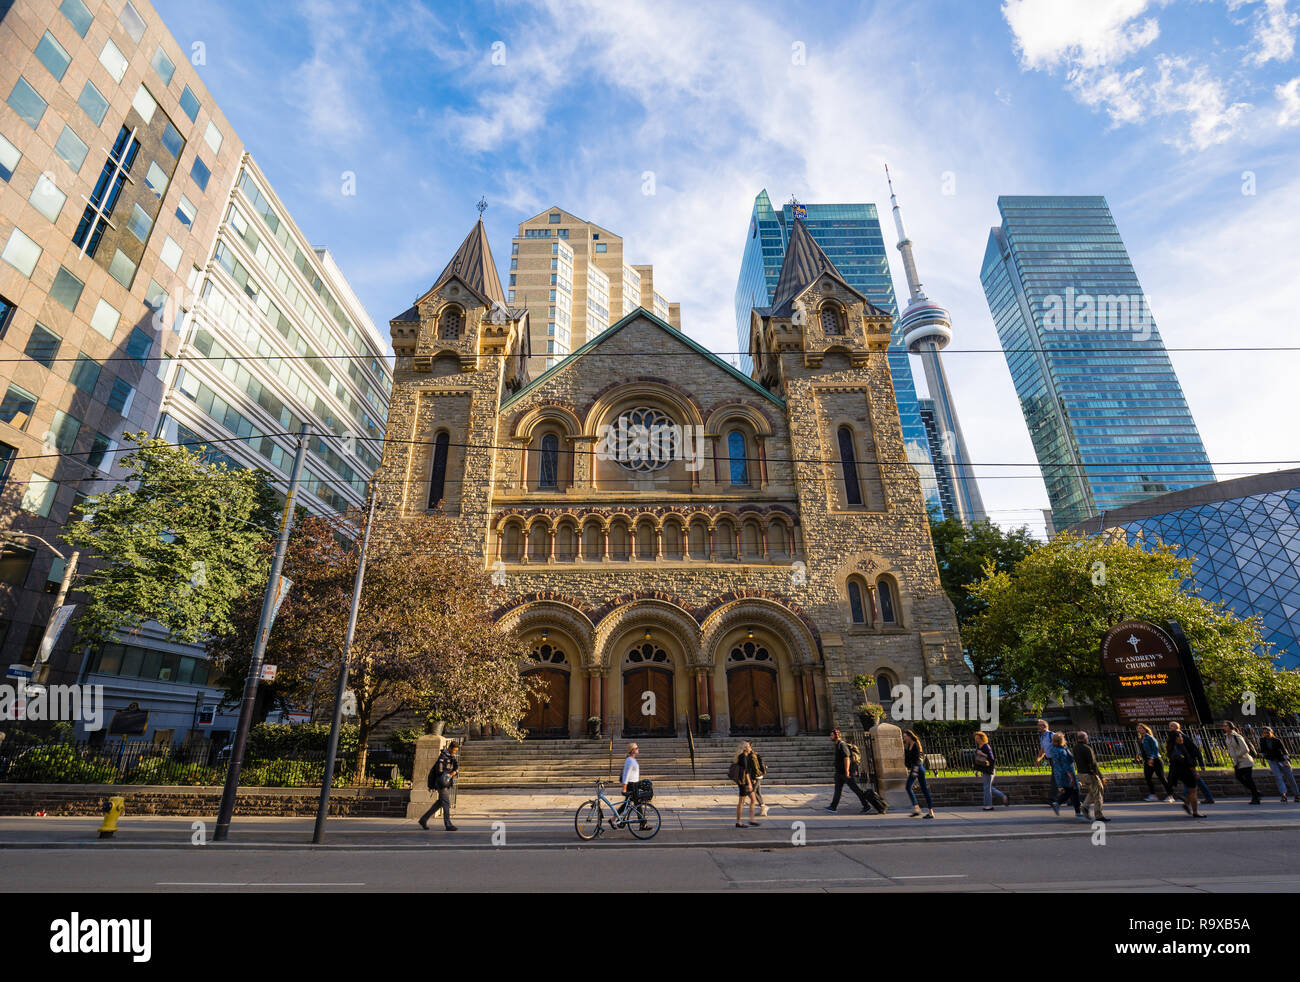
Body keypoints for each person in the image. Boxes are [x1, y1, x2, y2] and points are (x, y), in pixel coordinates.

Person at [825, 728, 873, 813]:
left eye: (832, 735)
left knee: (855, 789)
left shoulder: (842, 745)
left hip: (845, 772)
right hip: (839, 772)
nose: (830, 737)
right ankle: (833, 806)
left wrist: (847, 771)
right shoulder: (837, 744)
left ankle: (866, 805)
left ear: (837, 736)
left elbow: (847, 758)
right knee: (838, 789)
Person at [418, 740, 459, 831]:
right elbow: (439, 771)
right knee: (446, 803)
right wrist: (449, 773)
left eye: (456, 751)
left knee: (440, 803)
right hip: (441, 783)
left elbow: (456, 767)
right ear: (449, 748)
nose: (454, 752)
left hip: (446, 783)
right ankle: (448, 824)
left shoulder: (451, 757)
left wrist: (454, 772)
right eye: (454, 750)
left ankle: (423, 819)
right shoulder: (443, 757)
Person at [1167, 722, 1205, 818]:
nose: (1181, 738)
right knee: (1194, 790)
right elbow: (1187, 759)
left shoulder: (1170, 746)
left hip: (1176, 770)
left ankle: (1186, 803)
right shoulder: (1180, 747)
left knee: (1189, 788)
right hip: (1186, 769)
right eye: (1180, 736)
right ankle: (1195, 812)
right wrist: (1194, 770)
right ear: (1178, 738)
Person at [1073, 731, 1109, 822]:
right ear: (1085, 738)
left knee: (1093, 791)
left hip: (1081, 774)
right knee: (1098, 794)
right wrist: (1101, 776)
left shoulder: (1075, 748)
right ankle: (1098, 815)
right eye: (1087, 738)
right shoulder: (1087, 748)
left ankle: (1085, 806)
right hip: (1089, 774)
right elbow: (1093, 764)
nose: (1088, 739)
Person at [1258, 726, 1299, 802]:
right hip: (1272, 760)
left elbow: (1283, 750)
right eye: (1264, 732)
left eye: (1268, 732)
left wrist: (1286, 760)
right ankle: (1283, 794)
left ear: (1271, 732)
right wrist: (1263, 760)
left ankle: (1297, 794)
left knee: (1289, 776)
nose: (1266, 734)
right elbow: (1262, 751)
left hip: (1282, 760)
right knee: (1278, 776)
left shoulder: (1277, 740)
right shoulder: (1262, 740)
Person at [1223, 721, 1261, 804]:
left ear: (1230, 727)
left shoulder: (1237, 736)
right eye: (1224, 726)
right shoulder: (1227, 737)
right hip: (1237, 762)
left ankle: (1255, 797)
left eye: (1225, 726)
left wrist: (1237, 755)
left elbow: (1246, 749)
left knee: (1248, 779)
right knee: (1239, 777)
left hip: (1245, 760)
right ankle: (1256, 792)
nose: (1224, 727)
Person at [1137, 723, 1174, 802]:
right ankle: (1153, 795)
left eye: (1141, 728)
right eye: (1139, 728)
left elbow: (1155, 749)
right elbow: (1144, 749)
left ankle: (1170, 796)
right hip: (1147, 761)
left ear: (1145, 729)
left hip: (1156, 760)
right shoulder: (1140, 739)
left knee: (1162, 778)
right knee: (1148, 778)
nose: (1140, 730)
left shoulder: (1150, 738)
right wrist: (1139, 754)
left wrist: (1152, 758)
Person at [1047, 732, 1080, 816]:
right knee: (1075, 791)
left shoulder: (1053, 749)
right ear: (1062, 740)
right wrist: (1072, 777)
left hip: (1059, 774)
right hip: (1067, 775)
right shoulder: (1062, 751)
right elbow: (1066, 764)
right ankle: (1078, 812)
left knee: (1069, 791)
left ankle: (1058, 803)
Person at [903, 730, 935, 818]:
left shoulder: (915, 745)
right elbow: (908, 759)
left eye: (905, 736)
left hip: (918, 768)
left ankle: (930, 812)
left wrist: (914, 771)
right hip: (915, 767)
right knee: (910, 787)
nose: (904, 738)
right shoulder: (909, 745)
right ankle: (917, 808)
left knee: (922, 789)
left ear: (910, 736)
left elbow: (917, 759)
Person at [974, 731, 1009, 810]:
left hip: (989, 770)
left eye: (978, 738)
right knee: (989, 787)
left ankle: (989, 805)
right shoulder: (979, 747)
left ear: (983, 738)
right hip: (984, 769)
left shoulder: (986, 746)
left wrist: (981, 753)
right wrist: (977, 771)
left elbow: (992, 758)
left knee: (987, 788)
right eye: (976, 738)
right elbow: (978, 761)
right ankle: (1004, 797)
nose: (977, 740)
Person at [734, 742, 760, 827]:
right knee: (741, 802)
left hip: (745, 782)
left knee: (753, 799)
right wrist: (749, 783)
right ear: (745, 748)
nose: (750, 748)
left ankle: (752, 819)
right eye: (749, 746)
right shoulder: (743, 756)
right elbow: (746, 772)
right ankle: (738, 822)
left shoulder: (745, 756)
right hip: (744, 783)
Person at [751, 743, 769, 817]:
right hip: (759, 775)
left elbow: (754, 767)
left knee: (753, 792)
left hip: (756, 776)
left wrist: (753, 777)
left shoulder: (752, 755)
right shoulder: (754, 754)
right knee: (758, 792)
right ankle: (763, 810)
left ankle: (763, 806)